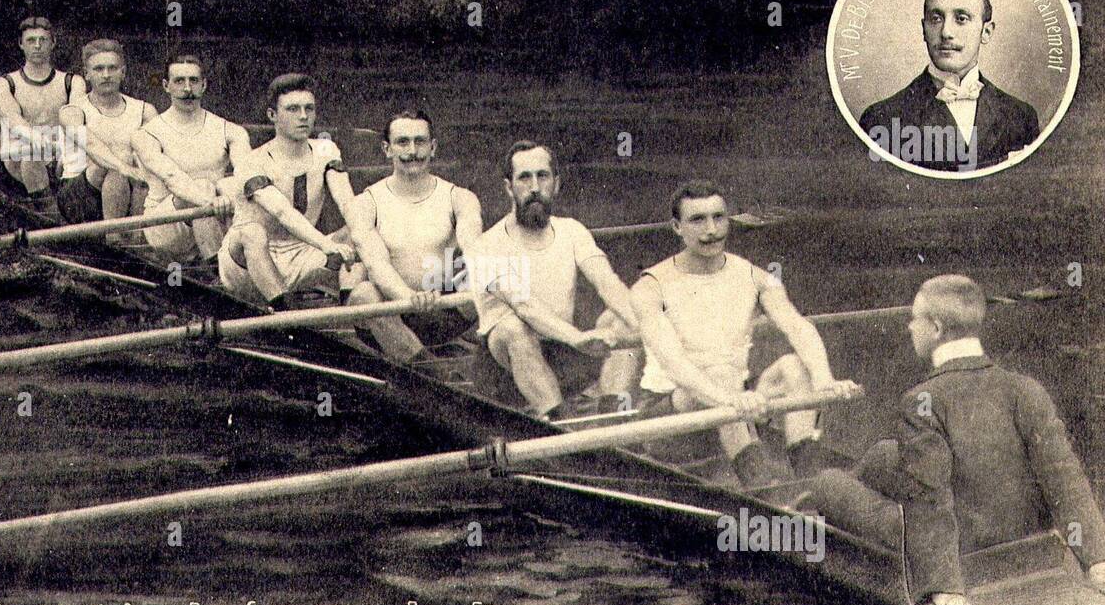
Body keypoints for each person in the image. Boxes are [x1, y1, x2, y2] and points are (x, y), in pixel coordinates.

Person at [804, 275, 1105, 605]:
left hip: (958, 544)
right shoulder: (1024, 389)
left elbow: (930, 499)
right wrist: (1099, 558)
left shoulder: (922, 400)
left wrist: (946, 590)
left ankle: (812, 501)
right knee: (884, 454)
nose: (910, 327)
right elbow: (1064, 476)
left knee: (826, 482)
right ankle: (861, 481)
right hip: (1016, 532)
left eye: (915, 319)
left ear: (935, 327)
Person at [630, 180, 857, 487]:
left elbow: (797, 326)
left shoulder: (753, 276)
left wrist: (824, 379)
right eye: (697, 220)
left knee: (795, 366)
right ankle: (765, 491)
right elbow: (675, 365)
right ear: (676, 227)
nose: (711, 229)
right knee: (721, 373)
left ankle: (811, 481)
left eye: (718, 217)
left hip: (733, 406)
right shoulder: (651, 286)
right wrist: (730, 398)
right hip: (668, 419)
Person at [465, 141, 641, 420]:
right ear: (509, 187)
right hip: (504, 372)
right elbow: (525, 308)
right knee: (513, 327)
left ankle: (612, 423)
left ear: (556, 184)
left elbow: (607, 282)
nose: (534, 187)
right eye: (524, 177)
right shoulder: (487, 246)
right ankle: (561, 424)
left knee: (619, 319)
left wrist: (645, 326)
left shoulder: (573, 231)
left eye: (542, 176)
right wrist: (578, 338)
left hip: (561, 351)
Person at [860, 0, 1040, 172]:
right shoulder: (881, 118)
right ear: (924, 30)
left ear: (986, 32)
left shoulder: (1021, 117)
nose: (946, 32)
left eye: (961, 19)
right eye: (936, 19)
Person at [345, 110, 483, 361]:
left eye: (420, 142)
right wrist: (410, 298)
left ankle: (509, 351)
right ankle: (429, 369)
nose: (412, 151)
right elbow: (377, 266)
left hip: (441, 311)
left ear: (433, 148)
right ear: (387, 149)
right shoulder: (365, 203)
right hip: (391, 311)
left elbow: (474, 250)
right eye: (402, 142)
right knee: (363, 294)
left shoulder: (460, 198)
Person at [217, 74, 356, 308]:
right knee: (250, 232)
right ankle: (286, 316)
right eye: (293, 109)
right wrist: (325, 245)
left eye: (308, 108)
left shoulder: (327, 150)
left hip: (304, 253)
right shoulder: (252, 162)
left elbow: (347, 202)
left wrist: (357, 229)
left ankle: (354, 309)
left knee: (359, 226)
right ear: (272, 115)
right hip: (249, 264)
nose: (303, 116)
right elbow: (281, 212)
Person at [130, 55, 251, 263]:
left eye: (193, 81)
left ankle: (242, 261)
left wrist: (232, 194)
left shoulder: (231, 131)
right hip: (167, 225)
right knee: (202, 186)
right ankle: (217, 268)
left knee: (231, 184)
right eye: (179, 81)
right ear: (166, 86)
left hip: (217, 216)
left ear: (203, 85)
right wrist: (212, 201)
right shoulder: (146, 134)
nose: (187, 89)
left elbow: (247, 174)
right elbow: (173, 179)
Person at [55, 39, 157, 225]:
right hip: (78, 198)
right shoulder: (72, 111)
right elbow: (91, 145)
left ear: (123, 72)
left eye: (113, 68)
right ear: (87, 74)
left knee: (145, 163)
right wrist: (124, 167)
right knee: (119, 163)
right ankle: (115, 237)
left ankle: (136, 236)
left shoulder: (145, 111)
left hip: (130, 188)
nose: (106, 75)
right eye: (98, 69)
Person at [0, 16, 86, 211]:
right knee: (29, 156)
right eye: (30, 40)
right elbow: (13, 118)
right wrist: (37, 139)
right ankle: (52, 217)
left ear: (53, 43)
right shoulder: (5, 83)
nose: (37, 46)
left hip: (60, 157)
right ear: (20, 44)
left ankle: (54, 212)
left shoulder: (72, 82)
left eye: (43, 40)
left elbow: (75, 121)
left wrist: (58, 149)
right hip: (21, 159)